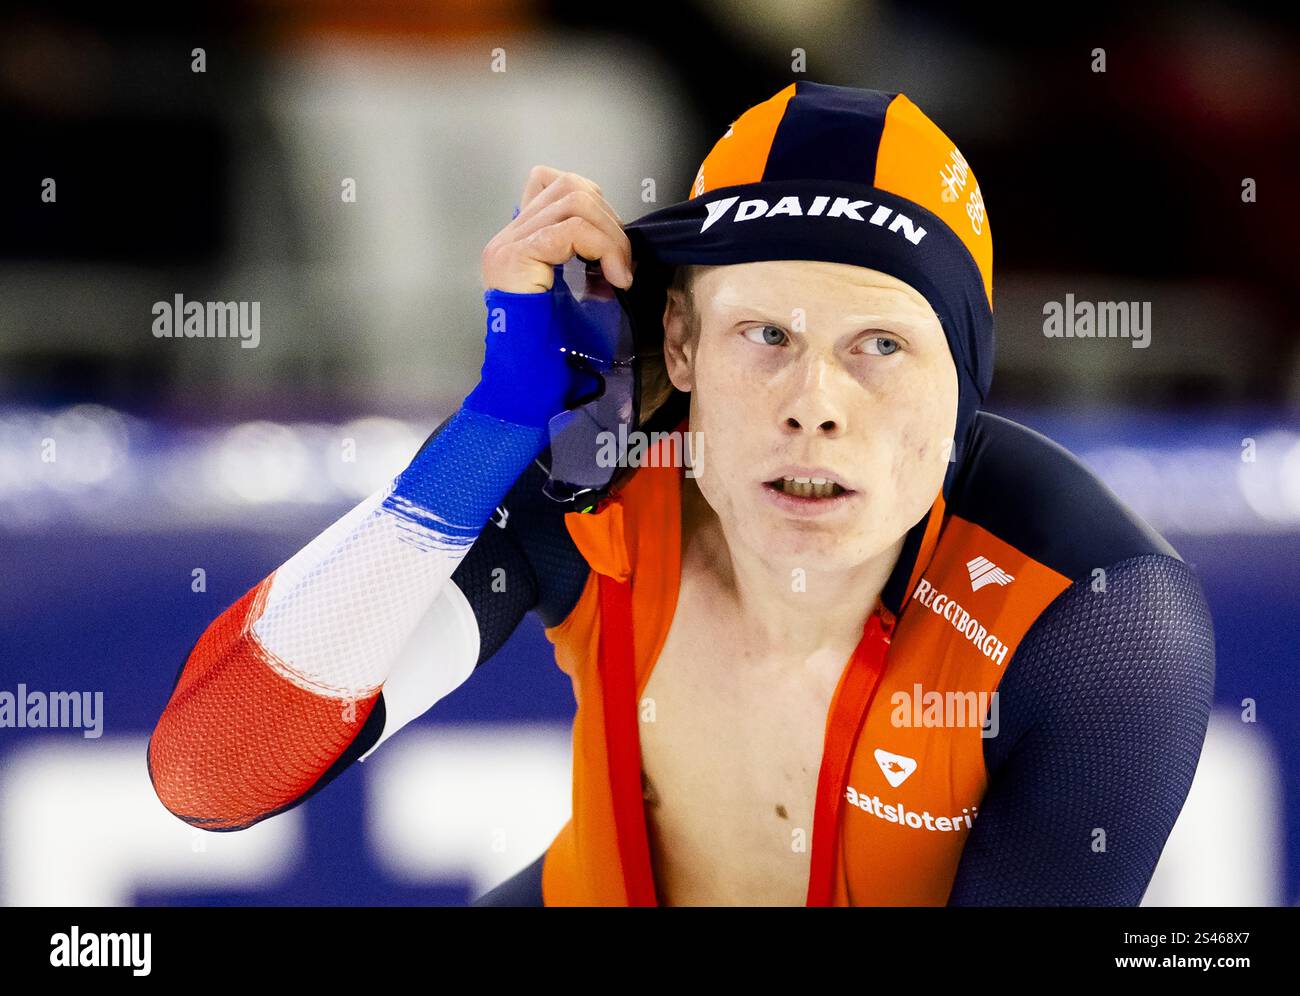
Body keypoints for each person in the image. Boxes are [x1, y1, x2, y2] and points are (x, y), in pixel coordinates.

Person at [148, 81, 1216, 906]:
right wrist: (491, 431)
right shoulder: (589, 472)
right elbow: (215, 771)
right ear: (681, 344)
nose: (815, 404)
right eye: (765, 335)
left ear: (964, 389)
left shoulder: (1091, 616)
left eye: (880, 346)